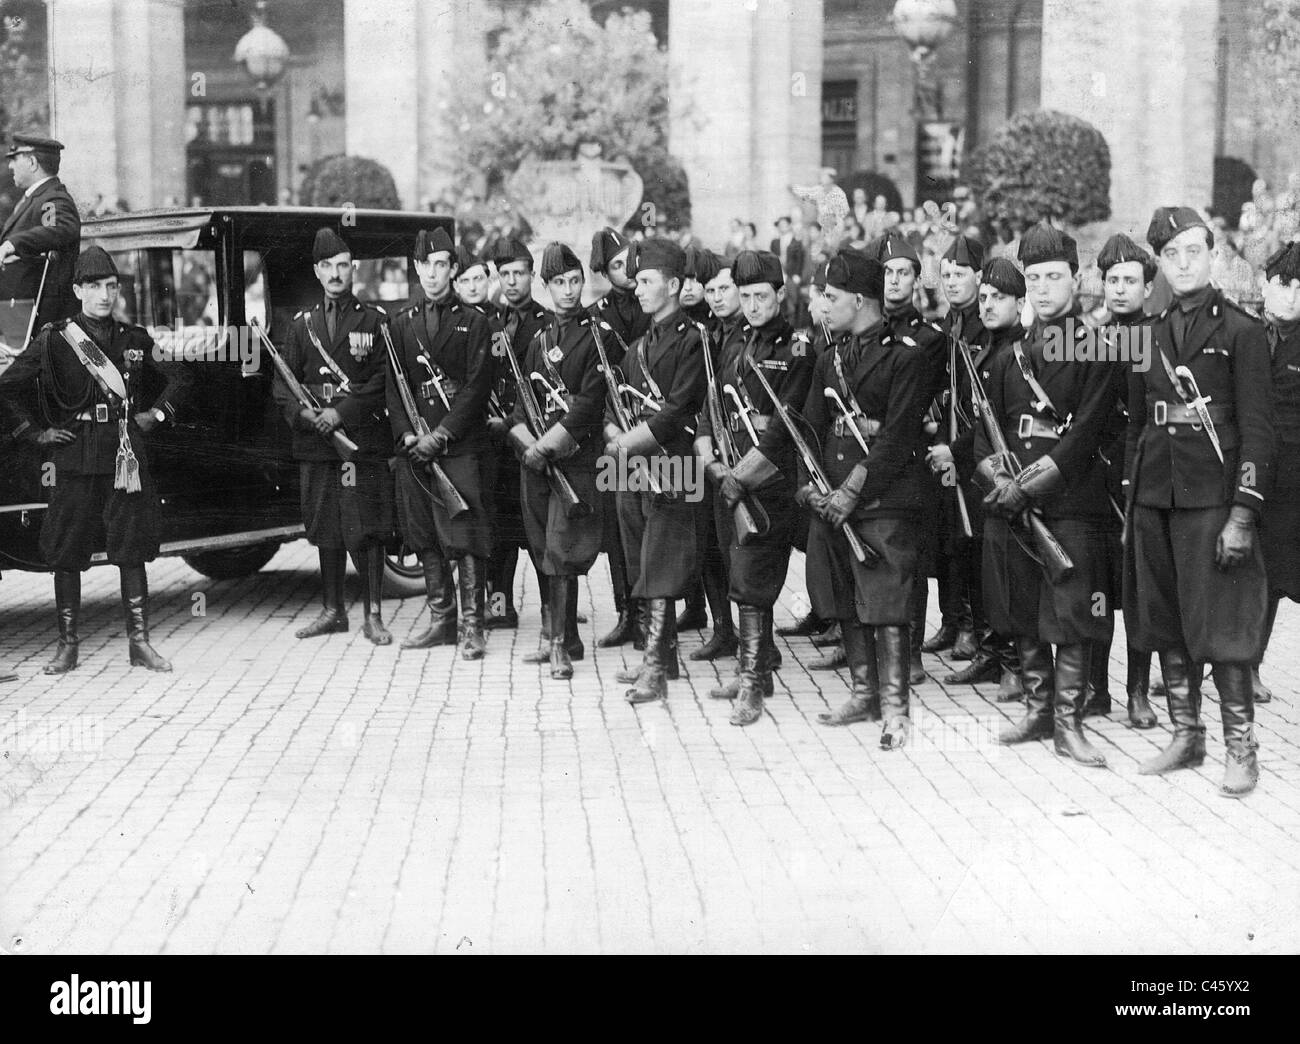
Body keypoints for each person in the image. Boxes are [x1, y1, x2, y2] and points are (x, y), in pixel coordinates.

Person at [1125, 207, 1274, 798]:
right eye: (1171, 254)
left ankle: (1242, 748)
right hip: (1156, 493)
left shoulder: (1240, 330)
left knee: (1225, 625)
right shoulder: (1146, 333)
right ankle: (1188, 736)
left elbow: (1260, 431)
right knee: (1165, 620)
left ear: (1212, 255)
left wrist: (1244, 513)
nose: (1183, 263)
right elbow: (1138, 420)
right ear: (1160, 262)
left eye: (1193, 251)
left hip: (1213, 498)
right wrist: (1135, 500)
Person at [0, 246, 192, 673]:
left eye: (111, 286)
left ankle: (139, 644)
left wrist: (156, 414)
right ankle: (68, 646)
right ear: (77, 290)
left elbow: (180, 378)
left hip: (126, 453)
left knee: (132, 546)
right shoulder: (55, 339)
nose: (104, 295)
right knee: (66, 549)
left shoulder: (135, 340)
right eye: (94, 287)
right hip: (76, 453)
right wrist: (35, 433)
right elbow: (8, 386)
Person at [978, 222, 1122, 768]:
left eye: (1053, 277)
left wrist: (1027, 487)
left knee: (1073, 613)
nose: (1041, 288)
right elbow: (980, 433)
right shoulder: (1008, 354)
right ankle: (1039, 710)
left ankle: (1068, 721)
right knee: (1023, 607)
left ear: (1076, 279)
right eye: (1032, 278)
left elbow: (1085, 434)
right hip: (1016, 507)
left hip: (1071, 502)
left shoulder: (1098, 348)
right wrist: (998, 481)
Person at [807, 251, 930, 748]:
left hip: (882, 500)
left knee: (887, 602)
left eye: (831, 297)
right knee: (849, 602)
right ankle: (864, 693)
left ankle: (896, 709)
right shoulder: (829, 356)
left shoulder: (906, 354)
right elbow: (810, 428)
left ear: (859, 300)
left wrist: (852, 490)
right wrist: (811, 490)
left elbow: (899, 438)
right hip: (833, 501)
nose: (822, 304)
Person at [696, 250, 813, 725]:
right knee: (736, 571)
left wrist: (741, 477)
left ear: (781, 295)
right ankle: (758, 670)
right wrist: (709, 460)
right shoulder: (734, 340)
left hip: (767, 484)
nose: (752, 305)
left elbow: (786, 428)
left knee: (752, 583)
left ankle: (751, 685)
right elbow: (711, 404)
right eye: (744, 297)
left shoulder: (797, 348)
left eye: (761, 296)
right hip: (728, 480)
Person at [273, 227, 395, 645]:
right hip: (318, 443)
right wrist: (308, 416)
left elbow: (383, 380)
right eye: (329, 267)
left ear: (352, 270)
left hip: (360, 439)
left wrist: (339, 412)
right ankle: (332, 610)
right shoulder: (300, 325)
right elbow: (283, 386)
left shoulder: (376, 321)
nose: (337, 274)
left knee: (369, 526)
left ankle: (374, 614)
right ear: (318, 272)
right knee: (326, 526)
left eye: (344, 266)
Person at [605, 237, 707, 704]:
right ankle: (662, 656)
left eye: (646, 281)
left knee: (662, 564)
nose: (638, 289)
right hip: (631, 468)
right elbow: (614, 400)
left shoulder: (694, 342)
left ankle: (654, 668)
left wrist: (625, 443)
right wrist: (613, 435)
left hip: (673, 467)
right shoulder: (638, 347)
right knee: (638, 558)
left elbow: (679, 411)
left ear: (673, 284)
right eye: (637, 280)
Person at [387, 227, 495, 660]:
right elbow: (394, 390)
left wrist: (442, 435)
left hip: (459, 444)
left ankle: (473, 626)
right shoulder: (401, 324)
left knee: (465, 534)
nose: (432, 274)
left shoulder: (474, 322)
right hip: (418, 446)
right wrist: (408, 435)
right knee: (425, 534)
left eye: (441, 266)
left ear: (453, 269)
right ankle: (442, 619)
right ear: (416, 269)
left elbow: (476, 388)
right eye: (425, 266)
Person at [927, 256, 1025, 701]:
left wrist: (956, 448)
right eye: (983, 297)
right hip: (978, 472)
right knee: (985, 567)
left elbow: (995, 422)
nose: (987, 305)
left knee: (1009, 574)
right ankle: (990, 651)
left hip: (1006, 473)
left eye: (997, 298)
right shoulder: (984, 348)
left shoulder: (1016, 351)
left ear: (1018, 304)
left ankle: (1015, 664)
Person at [508, 243, 606, 678]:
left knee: (564, 550)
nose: (569, 290)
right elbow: (519, 409)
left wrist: (547, 445)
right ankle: (562, 636)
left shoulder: (598, 335)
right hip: (539, 464)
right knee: (543, 547)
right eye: (559, 283)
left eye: (574, 281)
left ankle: (562, 645)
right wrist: (527, 444)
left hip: (575, 460)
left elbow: (589, 404)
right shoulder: (538, 341)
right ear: (544, 287)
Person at [1094, 233, 1159, 727]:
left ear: (1146, 285)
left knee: (1137, 590)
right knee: (1096, 588)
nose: (1119, 289)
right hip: (1093, 476)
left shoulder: (1156, 337)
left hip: (1138, 475)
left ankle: (1137, 691)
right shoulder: (1086, 339)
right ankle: (1097, 687)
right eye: (1112, 280)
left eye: (1129, 281)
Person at [919, 235, 984, 668]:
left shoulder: (983, 328)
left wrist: (954, 448)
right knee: (945, 535)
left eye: (961, 275)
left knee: (970, 538)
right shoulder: (946, 328)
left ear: (978, 277)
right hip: (944, 444)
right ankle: (949, 618)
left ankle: (973, 626)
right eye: (946, 276)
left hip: (971, 451)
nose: (953, 282)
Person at [484, 238, 554, 636]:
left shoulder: (545, 324)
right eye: (505, 274)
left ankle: (550, 610)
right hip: (496, 443)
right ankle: (500, 606)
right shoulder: (491, 323)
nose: (511, 282)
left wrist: (513, 423)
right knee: (500, 530)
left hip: (531, 437)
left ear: (531, 276)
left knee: (539, 530)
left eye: (519, 274)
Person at [674, 247, 736, 658]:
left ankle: (743, 634)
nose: (705, 293)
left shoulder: (730, 333)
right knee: (706, 540)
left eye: (713, 285)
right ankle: (717, 622)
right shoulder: (697, 331)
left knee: (730, 543)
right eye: (697, 284)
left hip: (729, 449)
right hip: (694, 444)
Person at [590, 227, 649, 649]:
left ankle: (659, 614)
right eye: (615, 265)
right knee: (617, 527)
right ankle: (628, 613)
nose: (627, 271)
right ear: (604, 272)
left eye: (630, 259)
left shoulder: (654, 301)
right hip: (613, 431)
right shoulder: (597, 315)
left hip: (654, 429)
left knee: (659, 519)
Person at [1257, 241, 1300, 704]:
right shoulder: (1243, 332)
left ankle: (1249, 666)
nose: (1292, 295)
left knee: (1270, 578)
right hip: (1241, 474)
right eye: (1284, 284)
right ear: (1264, 285)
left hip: (1290, 483)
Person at [0, 135, 80, 348]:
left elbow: (57, 229)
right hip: (21, 314)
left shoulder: (52, 198)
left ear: (33, 162)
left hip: (41, 317)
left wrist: (13, 244)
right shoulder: (34, 199)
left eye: (14, 159)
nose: (10, 166)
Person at [770, 216, 806, 325]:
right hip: (779, 275)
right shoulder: (775, 242)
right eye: (780, 225)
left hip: (792, 276)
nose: (782, 227)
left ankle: (796, 332)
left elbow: (800, 260)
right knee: (780, 303)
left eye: (785, 224)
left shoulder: (796, 242)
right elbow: (772, 258)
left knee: (793, 304)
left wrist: (797, 275)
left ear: (790, 225)